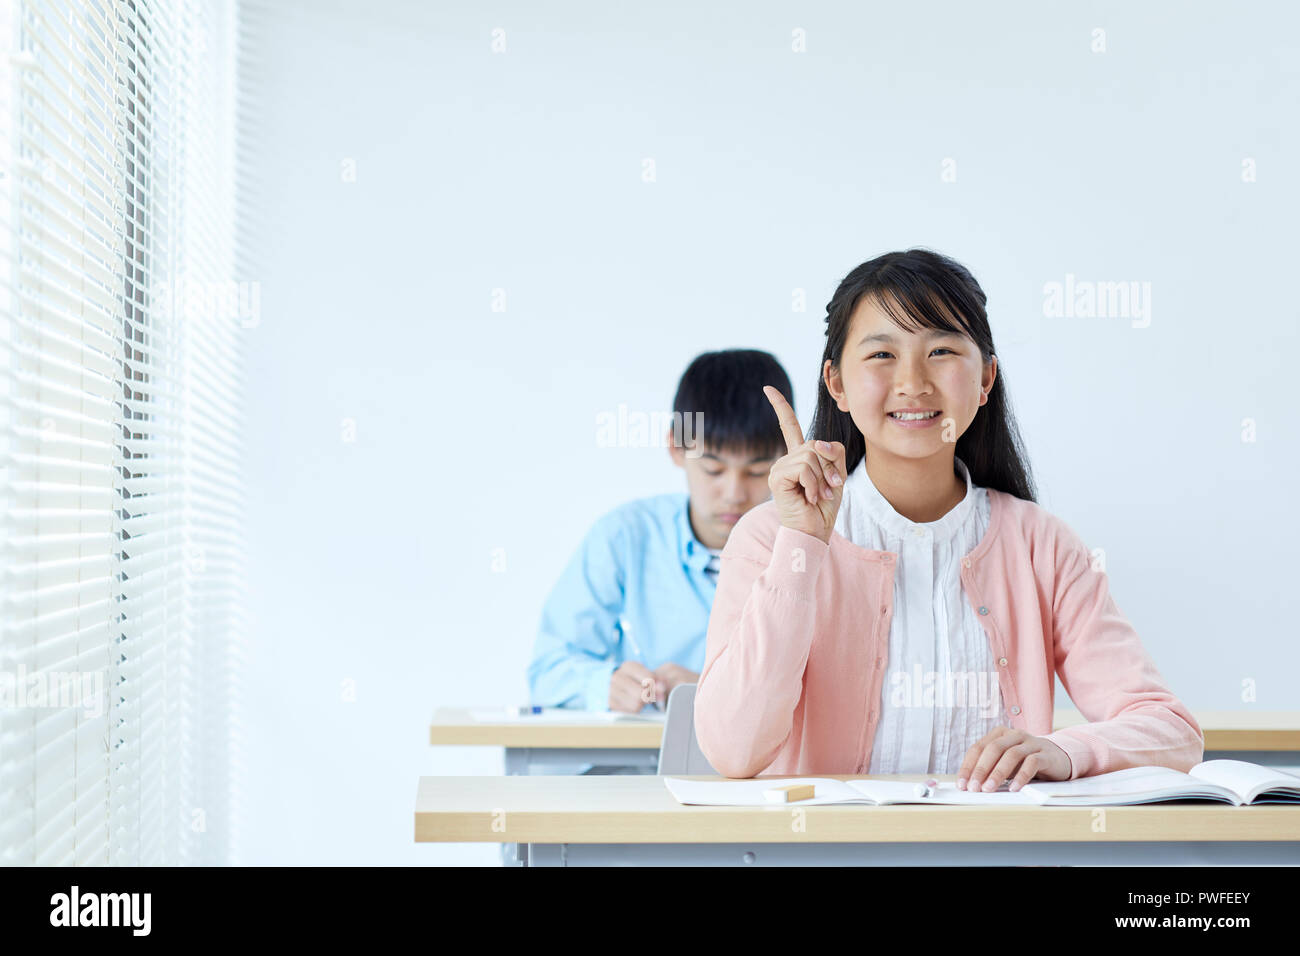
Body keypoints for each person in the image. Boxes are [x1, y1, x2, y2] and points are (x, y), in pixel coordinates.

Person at [694, 249, 1204, 787]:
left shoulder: (1041, 544)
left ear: (985, 379)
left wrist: (1065, 752)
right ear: (836, 384)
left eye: (940, 350)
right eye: (881, 355)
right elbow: (733, 749)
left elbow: (1172, 731)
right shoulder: (772, 536)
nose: (913, 382)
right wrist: (802, 545)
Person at [528, 349, 794, 713]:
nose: (734, 493)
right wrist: (605, 685)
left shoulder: (805, 548)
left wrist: (715, 692)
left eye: (756, 470)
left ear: (785, 458)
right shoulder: (625, 536)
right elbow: (547, 669)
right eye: (713, 470)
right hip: (638, 764)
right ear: (676, 448)